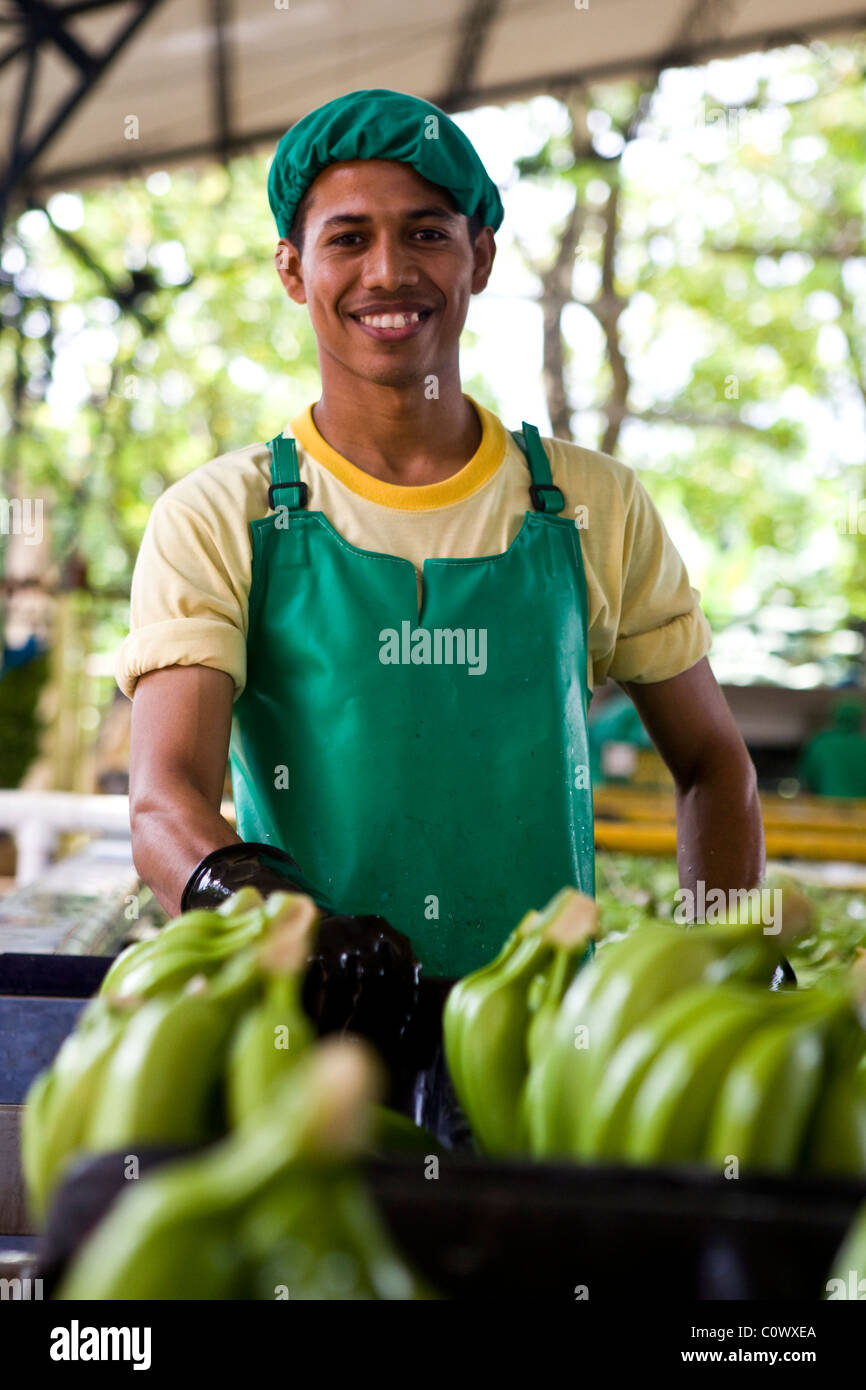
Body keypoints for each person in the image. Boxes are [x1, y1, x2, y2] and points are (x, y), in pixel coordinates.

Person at [116, 88, 764, 979]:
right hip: (306, 1033)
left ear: (481, 256)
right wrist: (289, 935)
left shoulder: (592, 503)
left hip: (542, 1039)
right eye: (348, 237)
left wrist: (727, 954)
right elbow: (164, 802)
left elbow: (713, 765)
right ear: (294, 270)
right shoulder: (220, 516)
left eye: (427, 233)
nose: (388, 272)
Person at [797, 697, 866, 798]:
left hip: (826, 805)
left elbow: (808, 776)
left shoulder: (821, 742)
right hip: (861, 808)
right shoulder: (863, 743)